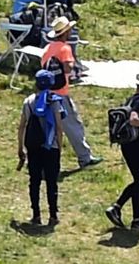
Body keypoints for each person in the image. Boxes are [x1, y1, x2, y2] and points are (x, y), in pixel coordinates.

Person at [37, 16, 98, 168]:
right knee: (73, 125)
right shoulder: (65, 48)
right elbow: (68, 68)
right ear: (65, 33)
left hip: (46, 94)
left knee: (48, 130)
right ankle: (85, 157)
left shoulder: (48, 48)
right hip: (61, 94)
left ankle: (44, 162)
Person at [106, 73, 139, 231]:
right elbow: (134, 120)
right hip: (137, 148)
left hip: (127, 146)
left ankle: (136, 219)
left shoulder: (129, 99)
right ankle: (117, 206)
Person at [18, 69, 67, 229]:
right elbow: (59, 128)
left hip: (33, 146)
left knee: (35, 181)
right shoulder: (54, 101)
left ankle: (36, 215)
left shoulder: (28, 101)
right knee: (52, 182)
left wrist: (21, 147)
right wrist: (59, 147)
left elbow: (22, 126)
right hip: (50, 147)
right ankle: (53, 216)